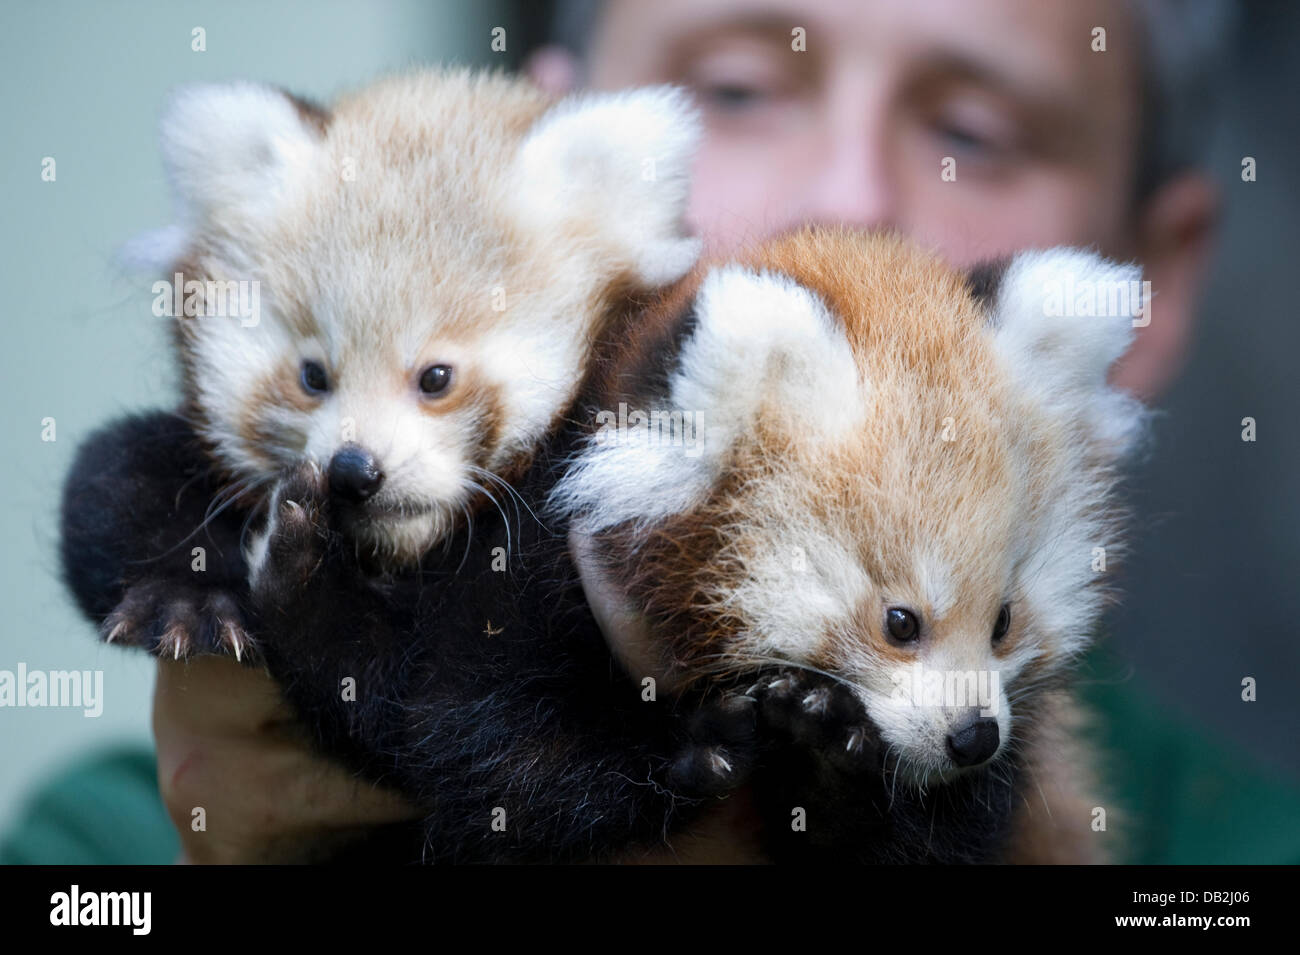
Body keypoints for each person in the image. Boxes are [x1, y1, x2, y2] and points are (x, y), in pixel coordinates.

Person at [7, 0, 1297, 864]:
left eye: (973, 135)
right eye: (734, 90)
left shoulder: (1235, 852)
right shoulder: (104, 843)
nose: (845, 196)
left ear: (1156, 280)